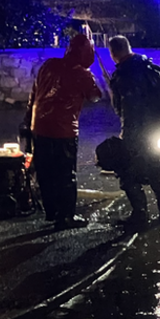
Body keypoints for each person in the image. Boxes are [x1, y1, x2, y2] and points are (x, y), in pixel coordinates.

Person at [24, 28, 102, 229]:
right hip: (63, 131)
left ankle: (51, 212)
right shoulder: (82, 74)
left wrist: (27, 122)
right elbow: (95, 96)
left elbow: (34, 93)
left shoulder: (49, 65)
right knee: (66, 174)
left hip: (39, 126)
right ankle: (66, 217)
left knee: (45, 172)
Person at [107, 36, 160, 227]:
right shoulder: (151, 67)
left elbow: (120, 109)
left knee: (127, 173)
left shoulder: (121, 75)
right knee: (158, 170)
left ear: (113, 53)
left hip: (134, 133)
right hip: (157, 130)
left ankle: (140, 215)